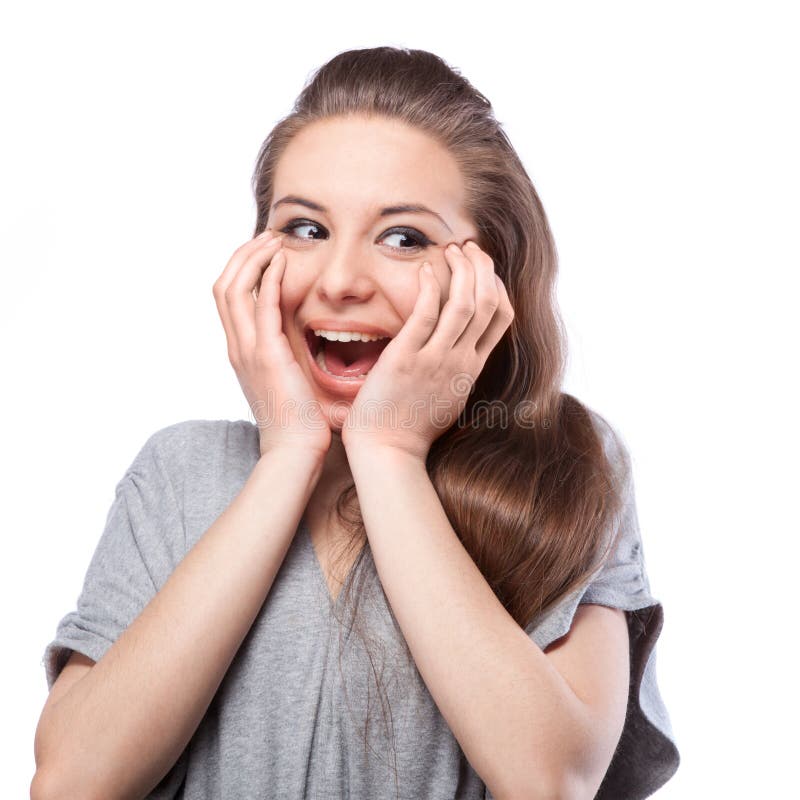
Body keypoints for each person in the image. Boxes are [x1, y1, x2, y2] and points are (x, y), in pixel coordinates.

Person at [33, 47, 680, 800]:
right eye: (305, 228)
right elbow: (72, 781)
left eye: (404, 237)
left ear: (486, 273)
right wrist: (287, 453)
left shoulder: (567, 462)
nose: (339, 282)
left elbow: (550, 782)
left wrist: (391, 451)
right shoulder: (181, 472)